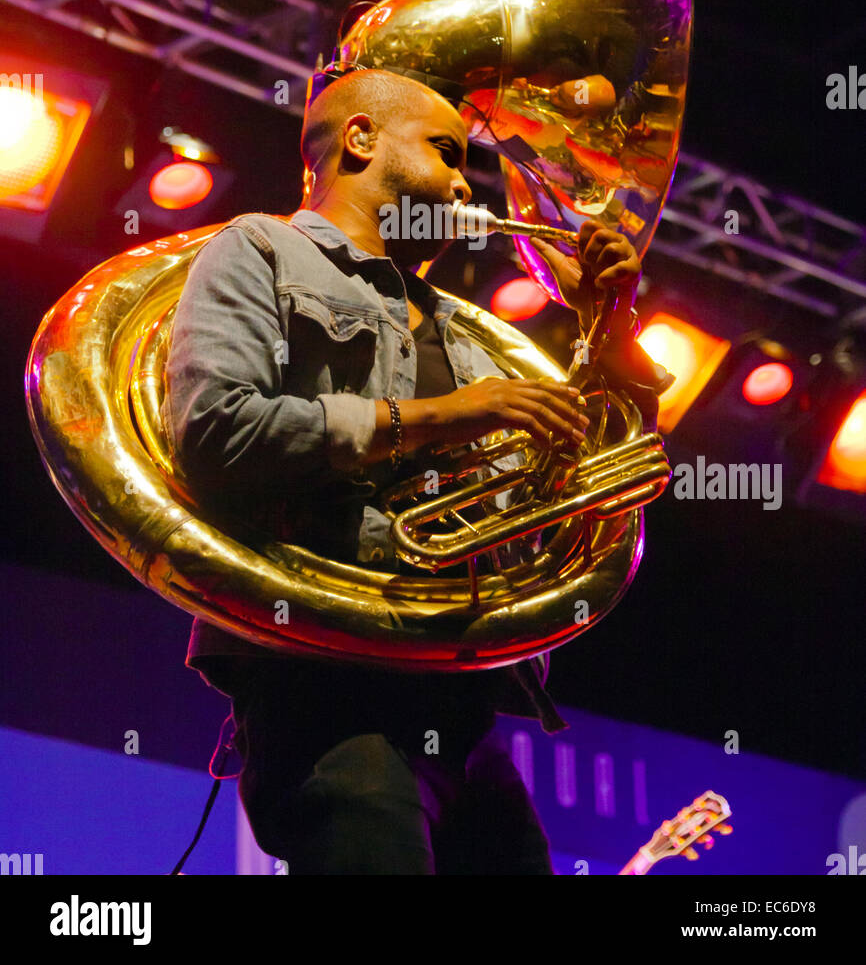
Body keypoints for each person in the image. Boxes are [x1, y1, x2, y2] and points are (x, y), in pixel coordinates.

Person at [163, 67, 670, 875]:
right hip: (324, 688)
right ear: (360, 139)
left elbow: (610, 465)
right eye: (445, 151)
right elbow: (215, 433)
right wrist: (442, 418)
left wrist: (606, 327)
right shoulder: (259, 247)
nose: (465, 181)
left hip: (462, 701)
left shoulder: (469, 333)